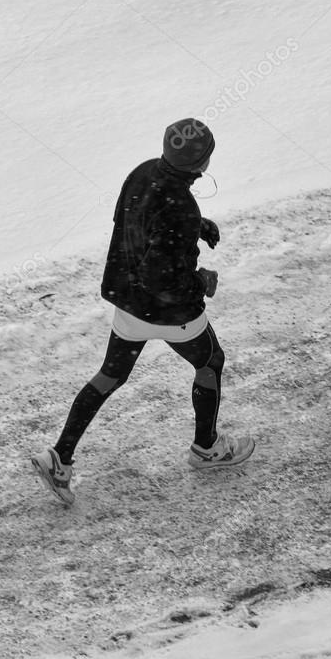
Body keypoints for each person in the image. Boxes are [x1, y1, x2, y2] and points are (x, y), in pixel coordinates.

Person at [31, 117, 255, 505]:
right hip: (171, 313)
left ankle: (59, 458)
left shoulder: (142, 173)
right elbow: (163, 276)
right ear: (202, 163)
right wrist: (200, 281)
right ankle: (207, 448)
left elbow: (139, 217)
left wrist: (195, 226)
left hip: (128, 302)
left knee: (110, 376)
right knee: (210, 362)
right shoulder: (180, 207)